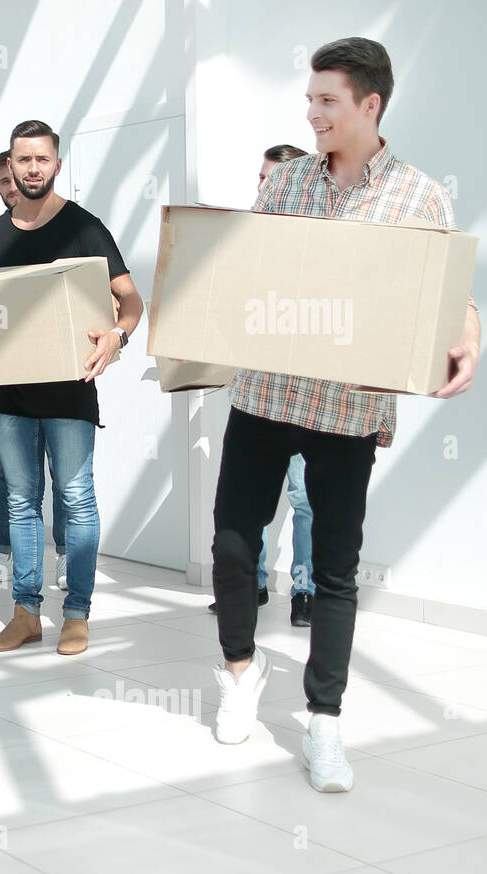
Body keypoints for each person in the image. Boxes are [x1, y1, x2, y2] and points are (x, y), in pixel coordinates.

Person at [209, 39, 480, 794]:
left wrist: (471, 331)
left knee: (333, 569)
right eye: (309, 99)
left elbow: (448, 289)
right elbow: (249, 268)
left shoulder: (419, 196)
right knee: (233, 547)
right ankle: (241, 669)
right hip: (265, 395)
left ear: (371, 105)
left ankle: (323, 723)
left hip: (347, 406)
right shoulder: (287, 182)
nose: (312, 112)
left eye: (327, 100)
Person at [0, 120, 143, 657]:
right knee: (21, 502)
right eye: (22, 161)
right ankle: (25, 613)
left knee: (76, 498)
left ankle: (77, 612)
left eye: (41, 160)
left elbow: (132, 303)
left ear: (56, 164)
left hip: (71, 391)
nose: (31, 169)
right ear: (11, 165)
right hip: (8, 395)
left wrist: (117, 336)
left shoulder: (85, 228)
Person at [208, 144, 317, 627]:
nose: (262, 187)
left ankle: (306, 590)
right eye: (259, 178)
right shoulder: (247, 247)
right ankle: (250, 584)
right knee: (250, 501)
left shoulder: (316, 246)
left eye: (271, 179)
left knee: (304, 498)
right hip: (257, 393)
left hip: (308, 393)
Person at [0, 151, 71, 593]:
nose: (11, 188)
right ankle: (1, 555)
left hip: (55, 372)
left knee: (63, 470)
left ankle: (66, 557)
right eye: (2, 183)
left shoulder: (66, 231)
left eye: (14, 179)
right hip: (1, 379)